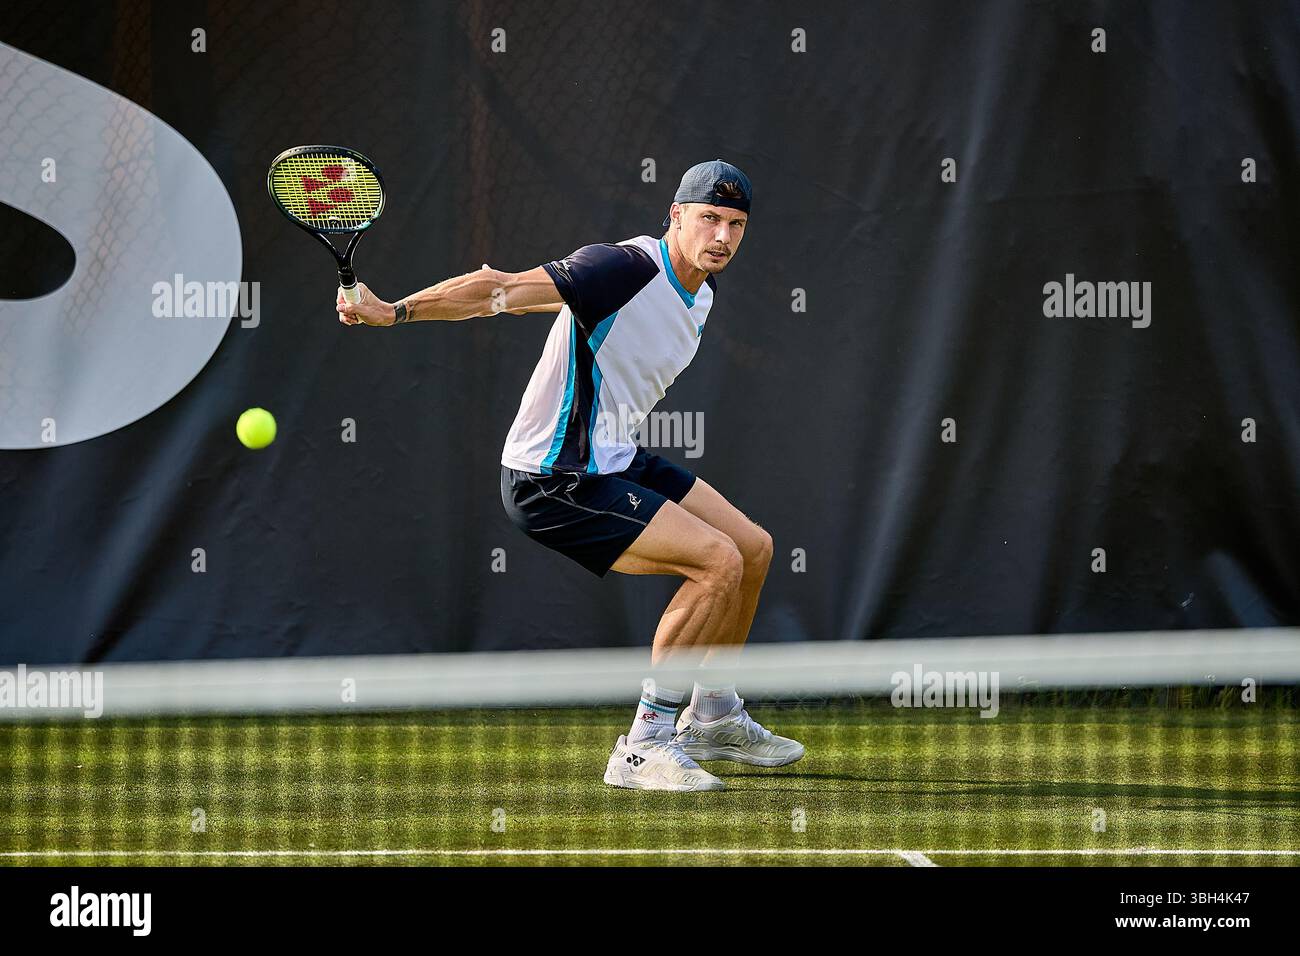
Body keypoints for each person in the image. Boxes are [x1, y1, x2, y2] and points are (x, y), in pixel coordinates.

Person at [336, 160, 804, 792]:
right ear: (676, 216)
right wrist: (395, 312)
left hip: (612, 455)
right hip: (552, 476)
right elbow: (497, 289)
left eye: (735, 224)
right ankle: (644, 746)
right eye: (709, 219)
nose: (721, 236)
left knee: (753, 549)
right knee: (716, 562)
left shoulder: (703, 295)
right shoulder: (624, 268)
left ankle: (714, 713)